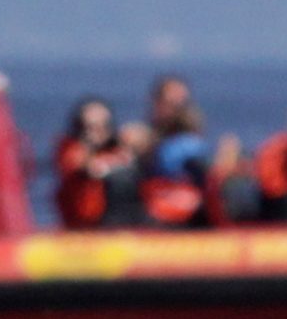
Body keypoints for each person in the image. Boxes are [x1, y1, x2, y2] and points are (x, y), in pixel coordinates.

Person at [138, 73, 218, 227]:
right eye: (170, 103)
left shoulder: (190, 145)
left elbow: (208, 175)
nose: (176, 110)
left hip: (186, 218)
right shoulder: (143, 137)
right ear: (156, 102)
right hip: (151, 213)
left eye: (181, 104)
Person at [49, 95, 133, 228]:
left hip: (113, 225)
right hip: (77, 227)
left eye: (103, 126)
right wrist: (88, 146)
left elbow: (130, 160)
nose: (95, 132)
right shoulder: (68, 148)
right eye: (88, 127)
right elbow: (86, 167)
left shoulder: (118, 149)